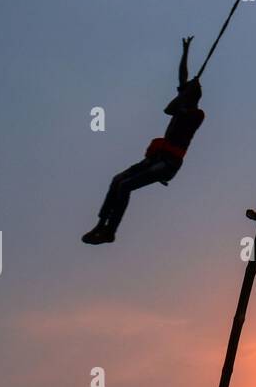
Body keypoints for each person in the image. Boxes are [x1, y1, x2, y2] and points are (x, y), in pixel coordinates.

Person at [82, 38, 205, 245]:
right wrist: (185, 52)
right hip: (156, 158)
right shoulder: (185, 102)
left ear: (190, 96)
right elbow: (182, 76)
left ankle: (110, 231)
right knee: (117, 180)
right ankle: (101, 223)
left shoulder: (195, 115)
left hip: (167, 164)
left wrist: (185, 92)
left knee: (126, 186)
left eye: (187, 90)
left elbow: (169, 109)